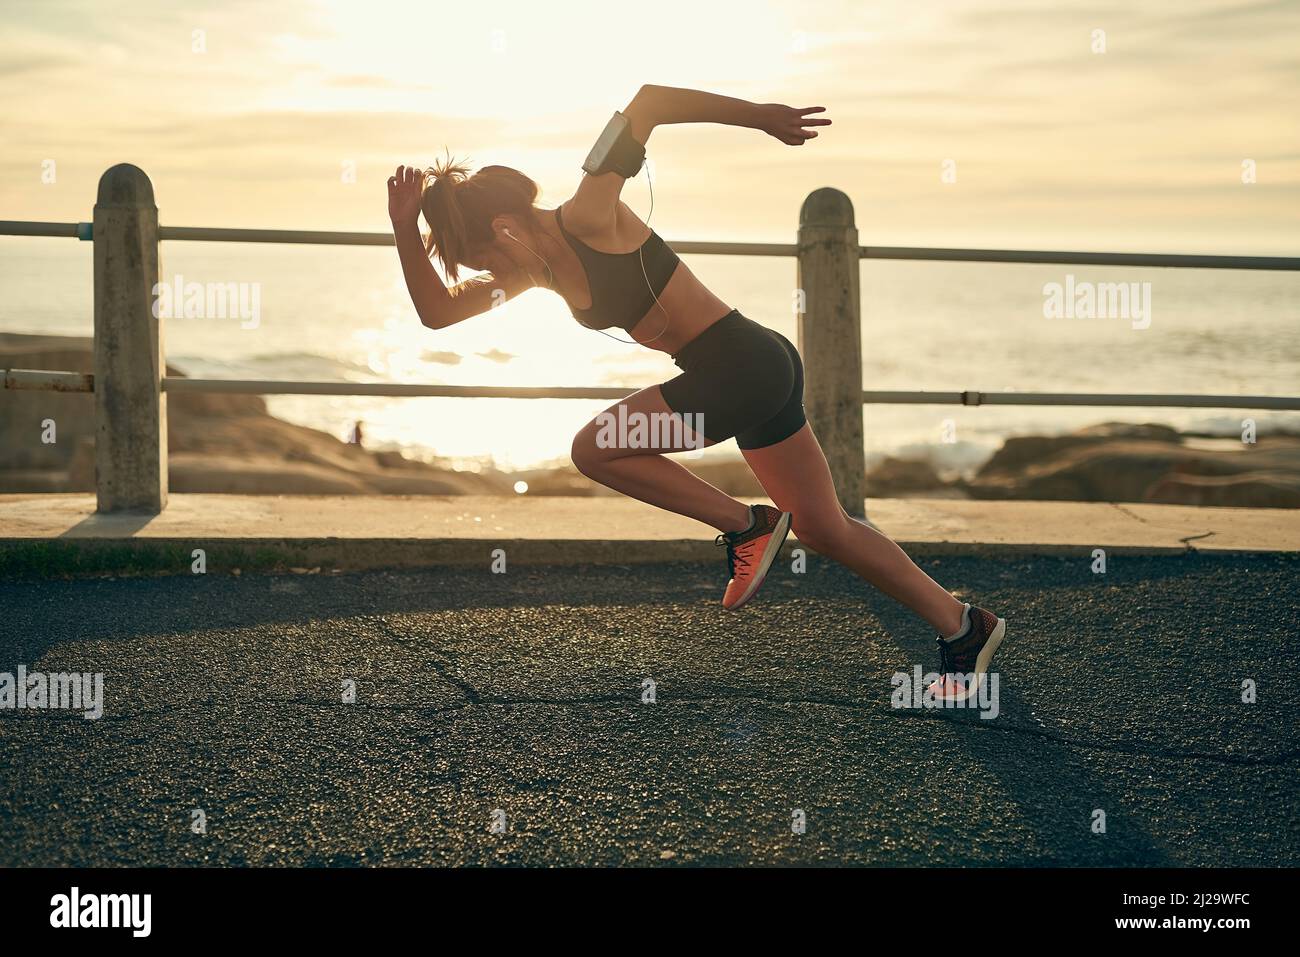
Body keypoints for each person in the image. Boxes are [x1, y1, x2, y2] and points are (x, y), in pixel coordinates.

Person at [386, 84, 1005, 701]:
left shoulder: (587, 214)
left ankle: (748, 528)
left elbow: (649, 103)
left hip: (739, 366)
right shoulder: (531, 273)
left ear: (503, 226)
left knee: (595, 449)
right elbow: (438, 314)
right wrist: (403, 226)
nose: (487, 276)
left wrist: (759, 117)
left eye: (481, 260)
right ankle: (963, 627)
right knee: (823, 528)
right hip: (751, 367)